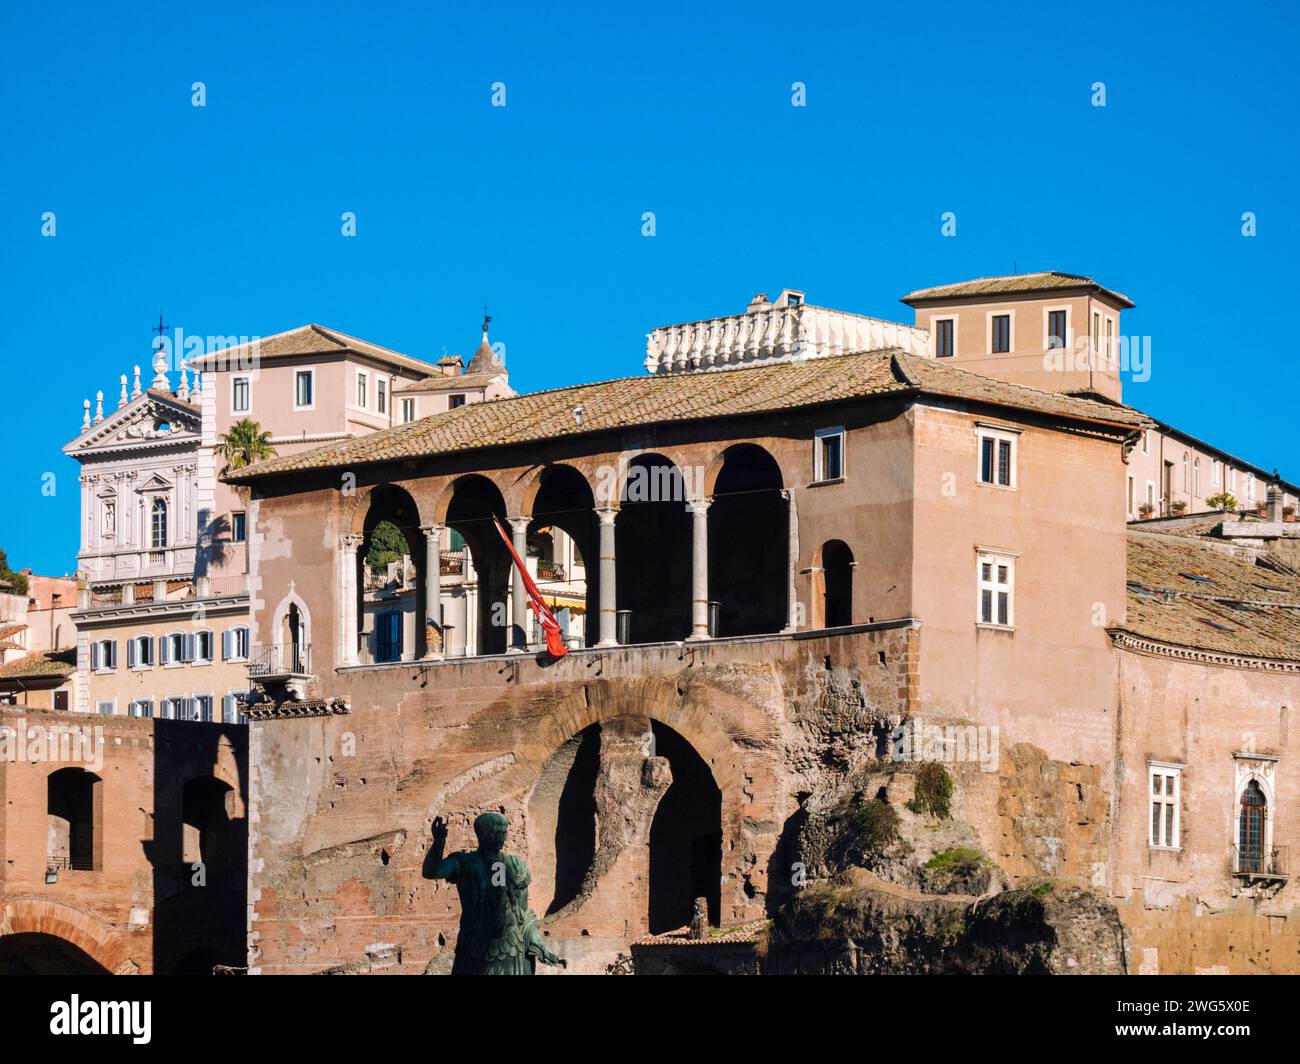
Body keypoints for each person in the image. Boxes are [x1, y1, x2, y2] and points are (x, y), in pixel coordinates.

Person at [424, 811, 566, 975]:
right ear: (482, 835)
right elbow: (431, 872)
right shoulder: (463, 862)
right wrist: (439, 842)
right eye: (496, 832)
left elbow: (523, 911)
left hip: (510, 946)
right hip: (474, 946)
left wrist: (535, 938)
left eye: (503, 833)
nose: (501, 837)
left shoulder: (514, 865)